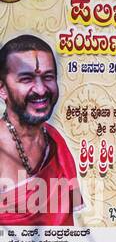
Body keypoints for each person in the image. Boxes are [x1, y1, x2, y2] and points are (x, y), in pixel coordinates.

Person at [0, 35, 82, 225]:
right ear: (2, 89)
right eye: (27, 79)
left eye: (48, 77)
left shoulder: (55, 142)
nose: (41, 89)